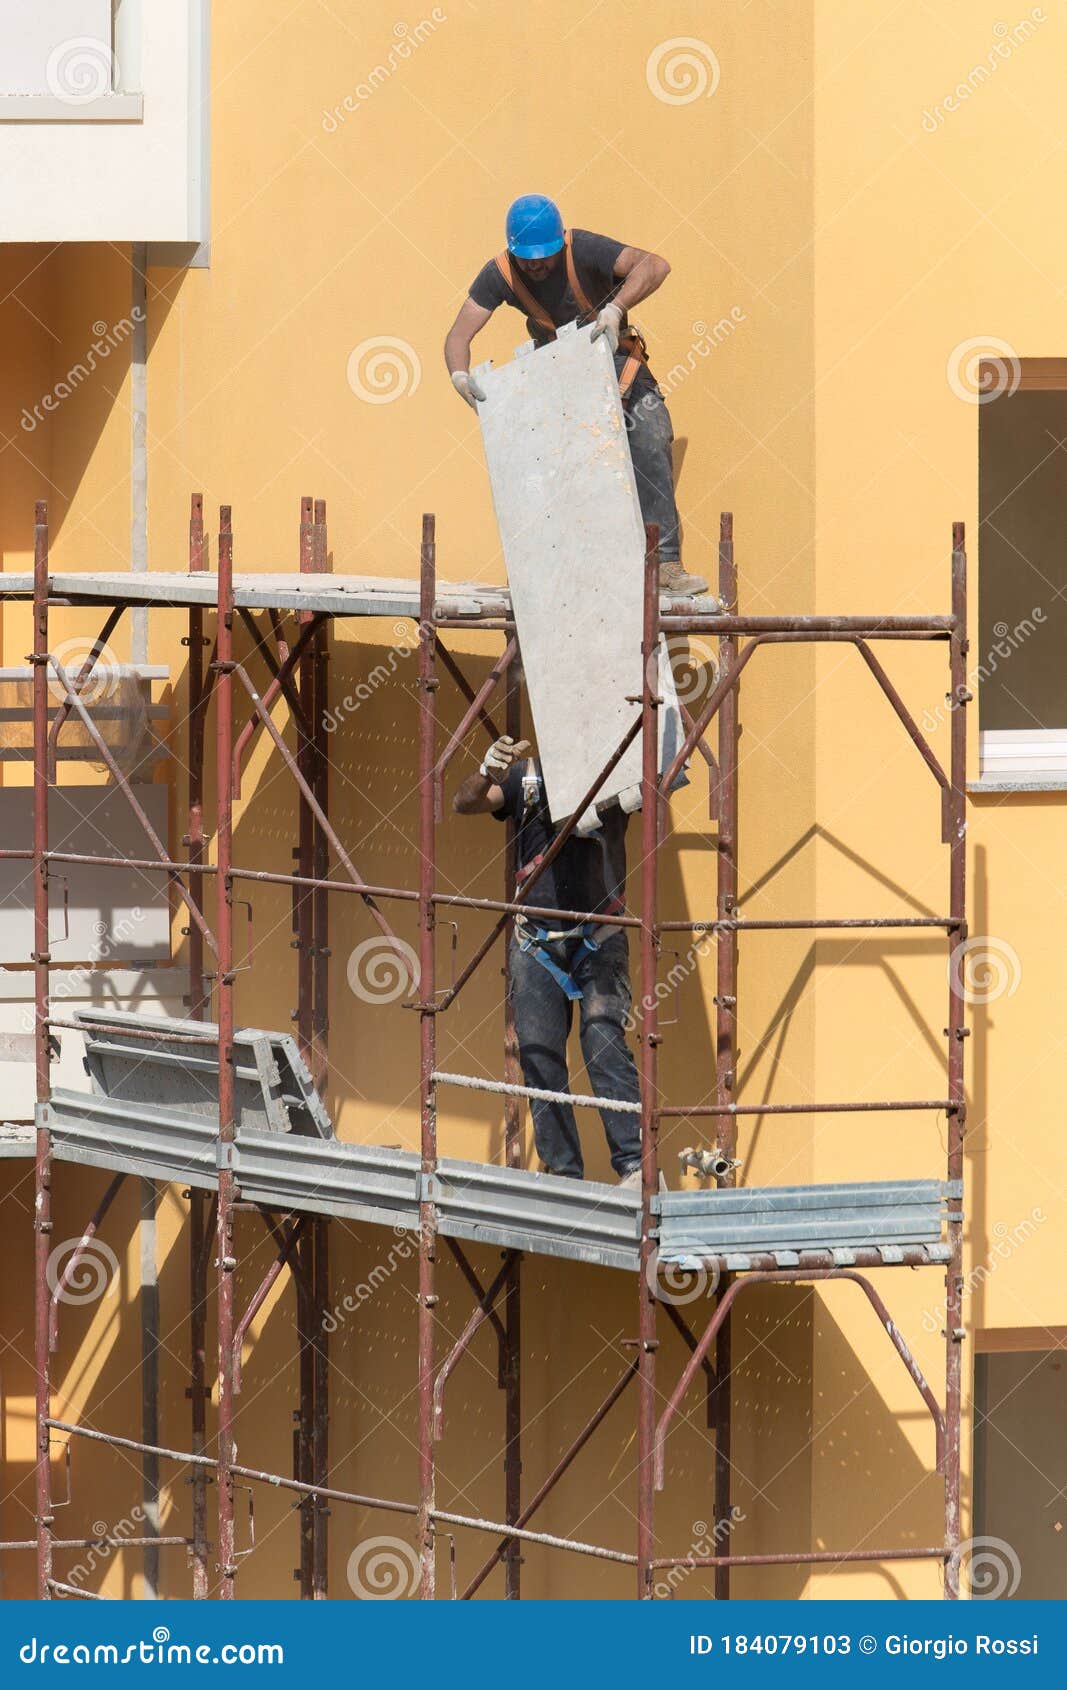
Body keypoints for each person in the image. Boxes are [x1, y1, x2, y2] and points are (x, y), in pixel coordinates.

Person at [443, 192, 707, 598]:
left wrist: (615, 308)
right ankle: (549, 571)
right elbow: (459, 335)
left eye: (543, 256)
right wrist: (460, 376)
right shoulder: (500, 273)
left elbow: (655, 265)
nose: (536, 265)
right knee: (549, 464)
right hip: (559, 375)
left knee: (651, 437)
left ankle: (665, 564)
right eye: (527, 258)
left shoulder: (582, 249)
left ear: (559, 242)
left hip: (618, 364)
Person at [453, 732, 645, 1187]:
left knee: (603, 1045)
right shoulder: (528, 777)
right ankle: (563, 1174)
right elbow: (465, 803)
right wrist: (486, 771)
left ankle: (635, 1168)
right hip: (536, 941)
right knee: (540, 1056)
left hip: (599, 936)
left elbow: (658, 784)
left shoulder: (617, 777)